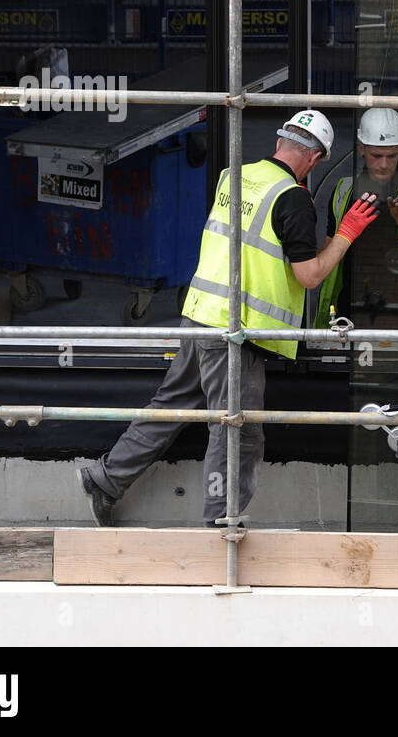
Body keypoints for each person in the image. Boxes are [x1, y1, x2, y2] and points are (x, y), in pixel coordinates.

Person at [77, 110, 380, 527]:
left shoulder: (232, 176)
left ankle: (106, 478)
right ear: (313, 159)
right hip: (235, 333)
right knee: (237, 428)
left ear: (280, 143)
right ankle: (222, 522)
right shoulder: (291, 198)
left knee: (173, 406)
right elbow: (309, 275)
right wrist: (346, 233)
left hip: (201, 315)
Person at [315, 107, 398, 330]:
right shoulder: (344, 189)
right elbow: (329, 245)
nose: (384, 164)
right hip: (352, 304)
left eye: (391, 156)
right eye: (377, 155)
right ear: (361, 148)